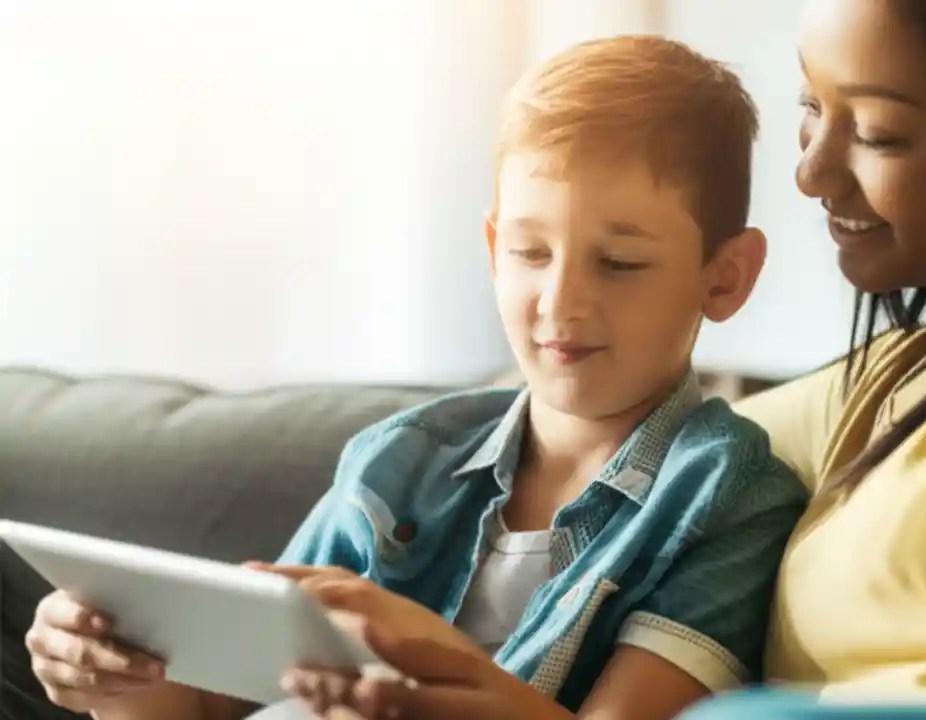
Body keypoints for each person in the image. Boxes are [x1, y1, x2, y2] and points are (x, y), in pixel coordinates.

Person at [259, 0, 926, 716]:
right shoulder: (845, 401)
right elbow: (576, 431)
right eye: (807, 111)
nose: (806, 172)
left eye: (875, 132)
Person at [24, 36, 807, 720]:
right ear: (493, 245)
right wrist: (117, 673)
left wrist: (428, 656)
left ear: (725, 277)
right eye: (531, 253)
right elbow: (210, 703)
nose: (561, 301)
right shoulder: (398, 461)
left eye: (619, 262)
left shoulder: (727, 494)